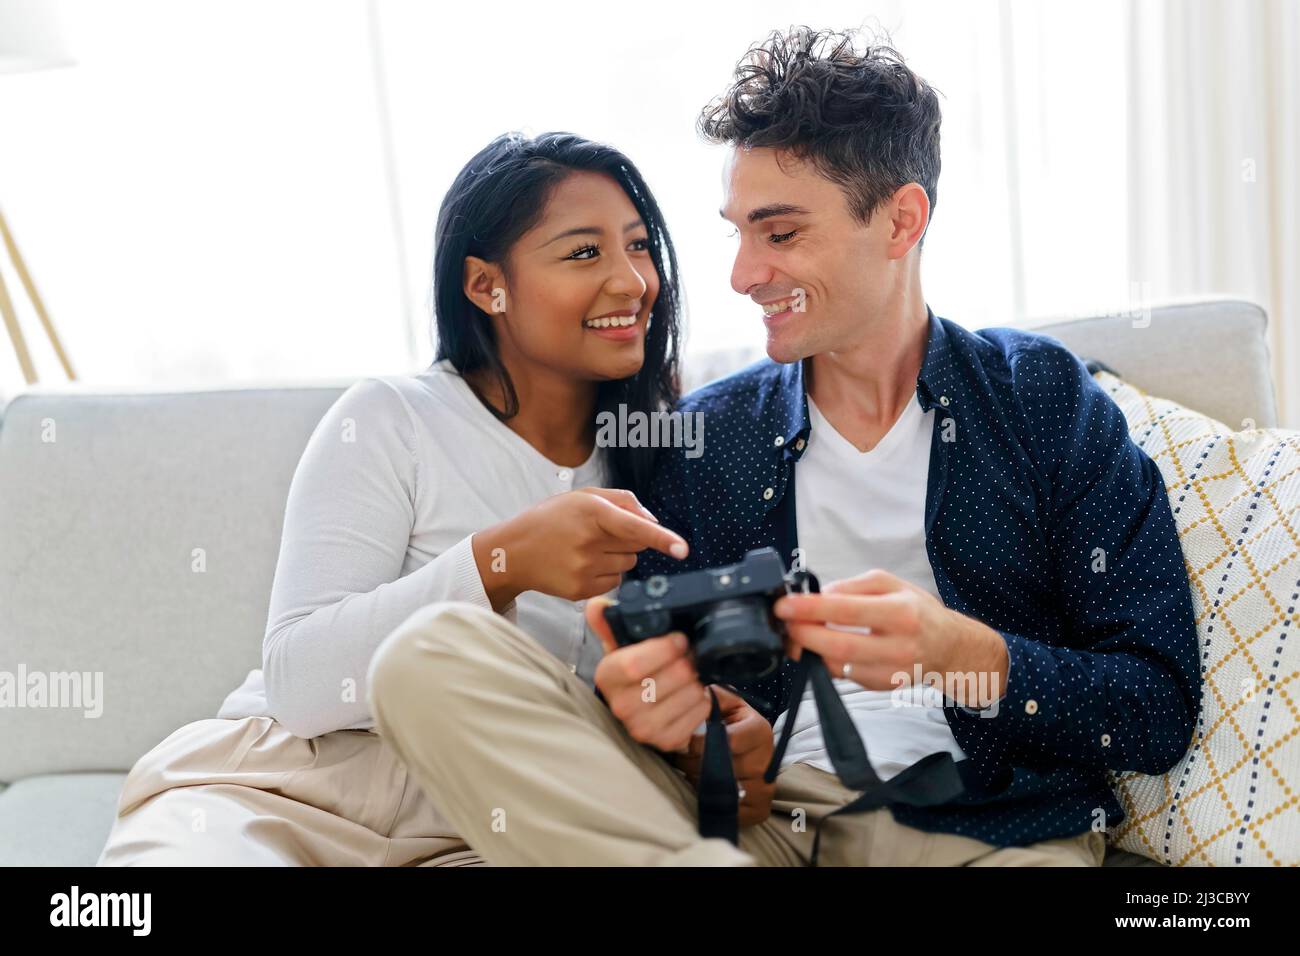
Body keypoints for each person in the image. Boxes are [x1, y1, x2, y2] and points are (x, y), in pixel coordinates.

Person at [367, 26, 1202, 866]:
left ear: (901, 221)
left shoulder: (1042, 401)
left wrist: (961, 655)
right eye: (737, 232)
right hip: (749, 827)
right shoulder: (701, 438)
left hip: (981, 828)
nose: (741, 274)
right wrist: (691, 733)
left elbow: (1155, 709)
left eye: (781, 233)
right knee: (426, 653)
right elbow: (681, 713)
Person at [96, 130, 692, 865]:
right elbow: (302, 684)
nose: (632, 281)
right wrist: (499, 564)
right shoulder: (391, 418)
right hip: (285, 790)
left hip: (481, 830)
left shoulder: (666, 456)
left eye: (639, 247)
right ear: (485, 286)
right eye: (583, 252)